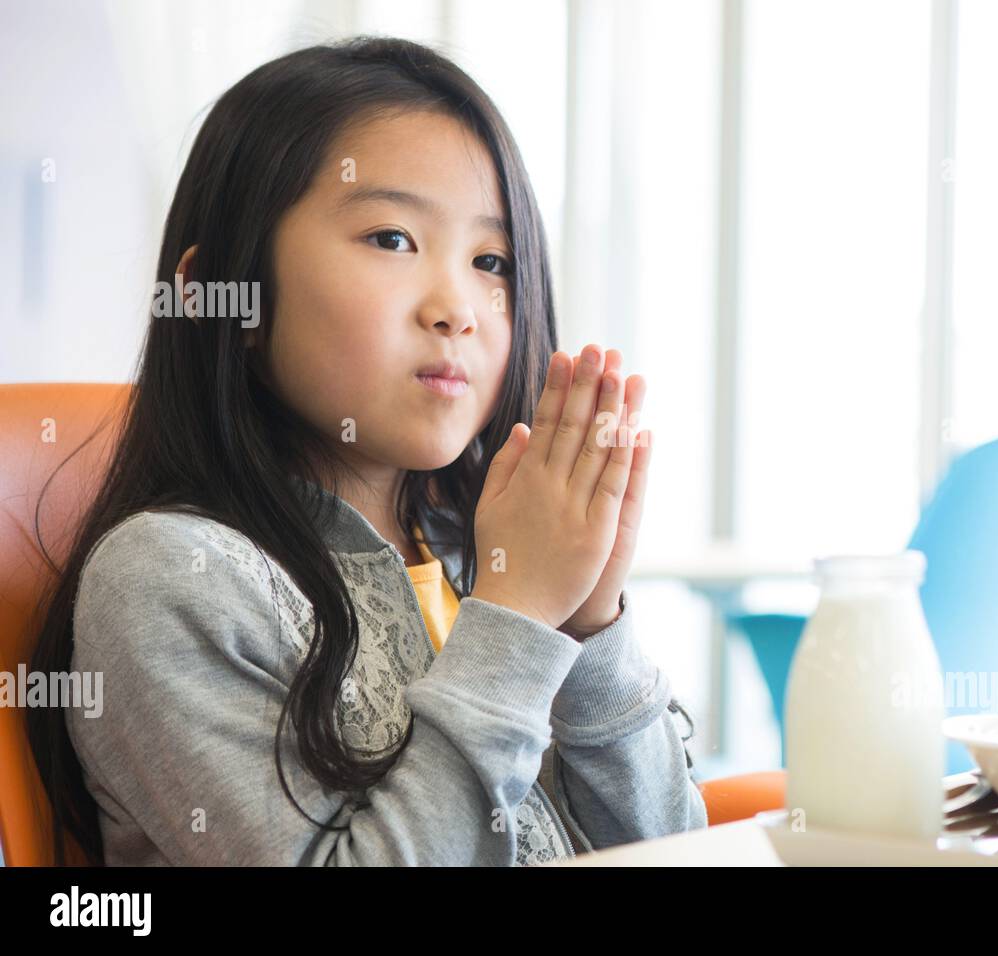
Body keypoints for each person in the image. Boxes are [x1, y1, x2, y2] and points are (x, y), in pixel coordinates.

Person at [26, 36, 707, 866]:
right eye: (391, 239)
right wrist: (519, 617)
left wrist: (591, 623)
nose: (458, 305)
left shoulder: (480, 551)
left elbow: (673, 851)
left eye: (491, 259)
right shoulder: (168, 576)